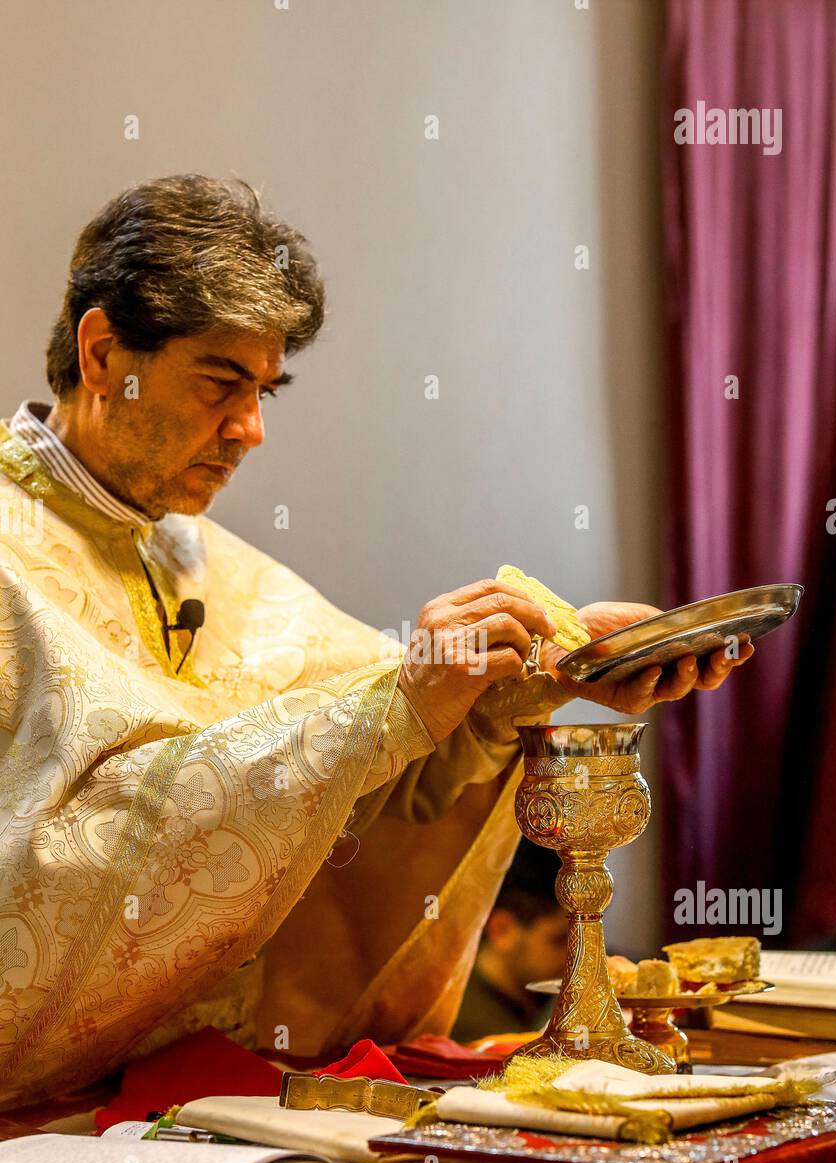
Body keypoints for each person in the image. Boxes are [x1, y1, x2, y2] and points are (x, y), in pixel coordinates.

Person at [0, 175, 752, 1108]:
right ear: (105, 351)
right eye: (221, 384)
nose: (252, 431)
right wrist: (387, 711)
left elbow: (374, 783)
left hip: (218, 1111)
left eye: (266, 389)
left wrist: (538, 677)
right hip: (38, 1140)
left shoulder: (215, 563)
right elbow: (46, 874)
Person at [452, 839, 566, 1042]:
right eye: (560, 940)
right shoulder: (471, 1028)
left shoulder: (535, 995)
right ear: (502, 929)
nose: (578, 955)